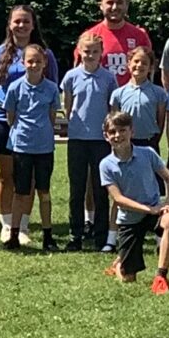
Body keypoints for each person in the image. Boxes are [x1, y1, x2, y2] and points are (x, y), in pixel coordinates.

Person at [0, 42, 59, 252]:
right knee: (20, 192)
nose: (34, 65)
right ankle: (14, 234)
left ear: (44, 63)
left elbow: (52, 116)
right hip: (21, 146)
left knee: (44, 192)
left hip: (44, 147)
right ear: (23, 63)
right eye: (30, 61)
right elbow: (11, 117)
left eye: (38, 61)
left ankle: (48, 235)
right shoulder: (14, 88)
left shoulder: (51, 88)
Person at [98, 110, 169, 289]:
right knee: (127, 279)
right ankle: (119, 264)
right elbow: (118, 199)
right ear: (106, 136)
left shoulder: (148, 153)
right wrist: (149, 209)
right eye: (112, 132)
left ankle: (161, 275)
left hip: (154, 211)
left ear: (132, 132)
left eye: (122, 130)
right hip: (129, 218)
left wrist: (168, 203)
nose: (118, 135)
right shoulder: (106, 165)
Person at [0, 4, 42, 233]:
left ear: (33, 25)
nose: (21, 25)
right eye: (17, 21)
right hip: (2, 121)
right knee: (5, 176)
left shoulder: (44, 55)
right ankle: (7, 226)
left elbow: (51, 86)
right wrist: (8, 109)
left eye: (26, 21)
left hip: (32, 125)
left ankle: (23, 227)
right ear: (9, 24)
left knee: (28, 177)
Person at [58, 32, 117, 251]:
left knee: (101, 189)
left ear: (101, 53)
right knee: (77, 189)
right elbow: (67, 106)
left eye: (94, 51)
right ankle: (75, 235)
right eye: (86, 51)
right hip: (77, 139)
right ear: (79, 52)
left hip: (100, 140)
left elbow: (112, 108)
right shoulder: (71, 76)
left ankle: (101, 236)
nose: (90, 55)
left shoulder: (108, 78)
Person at [108, 44, 169, 158]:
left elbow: (161, 121)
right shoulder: (118, 93)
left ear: (150, 68)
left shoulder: (159, 93)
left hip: (149, 142)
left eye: (144, 63)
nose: (139, 65)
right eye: (136, 61)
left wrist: (155, 139)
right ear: (129, 64)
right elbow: (115, 122)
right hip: (126, 141)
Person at [81, 0, 150, 78]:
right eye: (110, 3)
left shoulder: (140, 36)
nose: (114, 7)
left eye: (119, 3)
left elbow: (149, 71)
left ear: (126, 5)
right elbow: (80, 74)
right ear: (101, 6)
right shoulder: (89, 37)